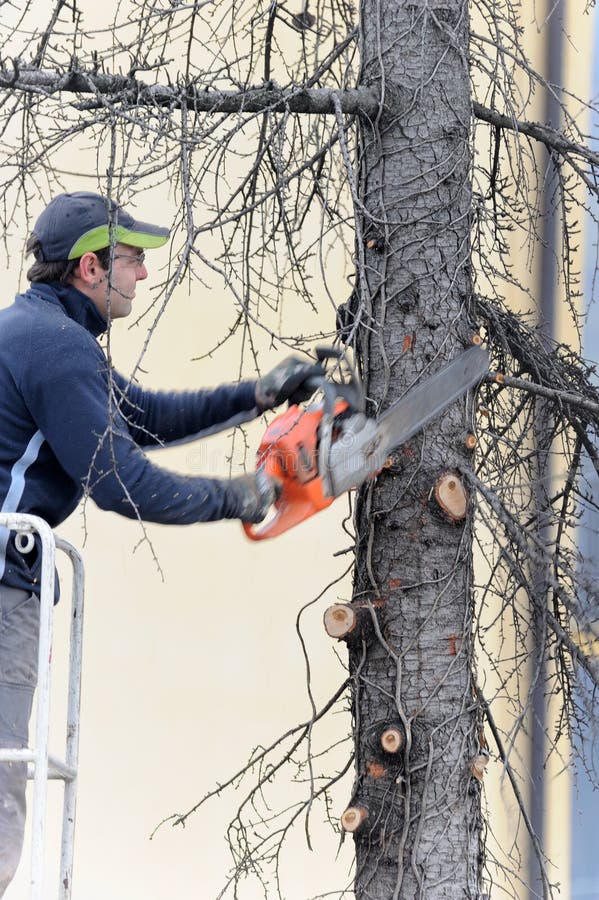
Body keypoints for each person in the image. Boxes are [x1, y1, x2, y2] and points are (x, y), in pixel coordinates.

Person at [0, 191, 323, 894]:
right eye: (131, 259)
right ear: (90, 267)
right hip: (3, 584)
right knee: (2, 779)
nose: (143, 273)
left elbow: (140, 417)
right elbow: (121, 480)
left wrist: (258, 395)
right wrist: (237, 497)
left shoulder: (38, 332)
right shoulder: (56, 347)